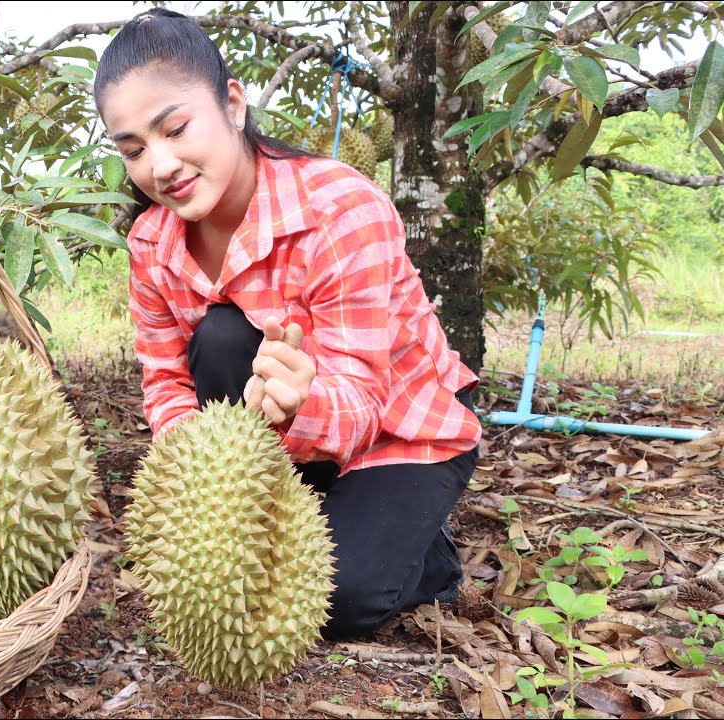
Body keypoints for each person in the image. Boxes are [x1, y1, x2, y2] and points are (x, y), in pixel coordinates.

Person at [94, 8, 483, 639]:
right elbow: (167, 381)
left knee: (342, 602)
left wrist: (301, 399)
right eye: (134, 150)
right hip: (268, 431)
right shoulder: (152, 244)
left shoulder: (341, 208)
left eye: (176, 129)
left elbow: (362, 403)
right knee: (220, 336)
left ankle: (424, 549)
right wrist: (192, 480)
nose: (159, 166)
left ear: (234, 106)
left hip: (402, 423)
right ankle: (319, 504)